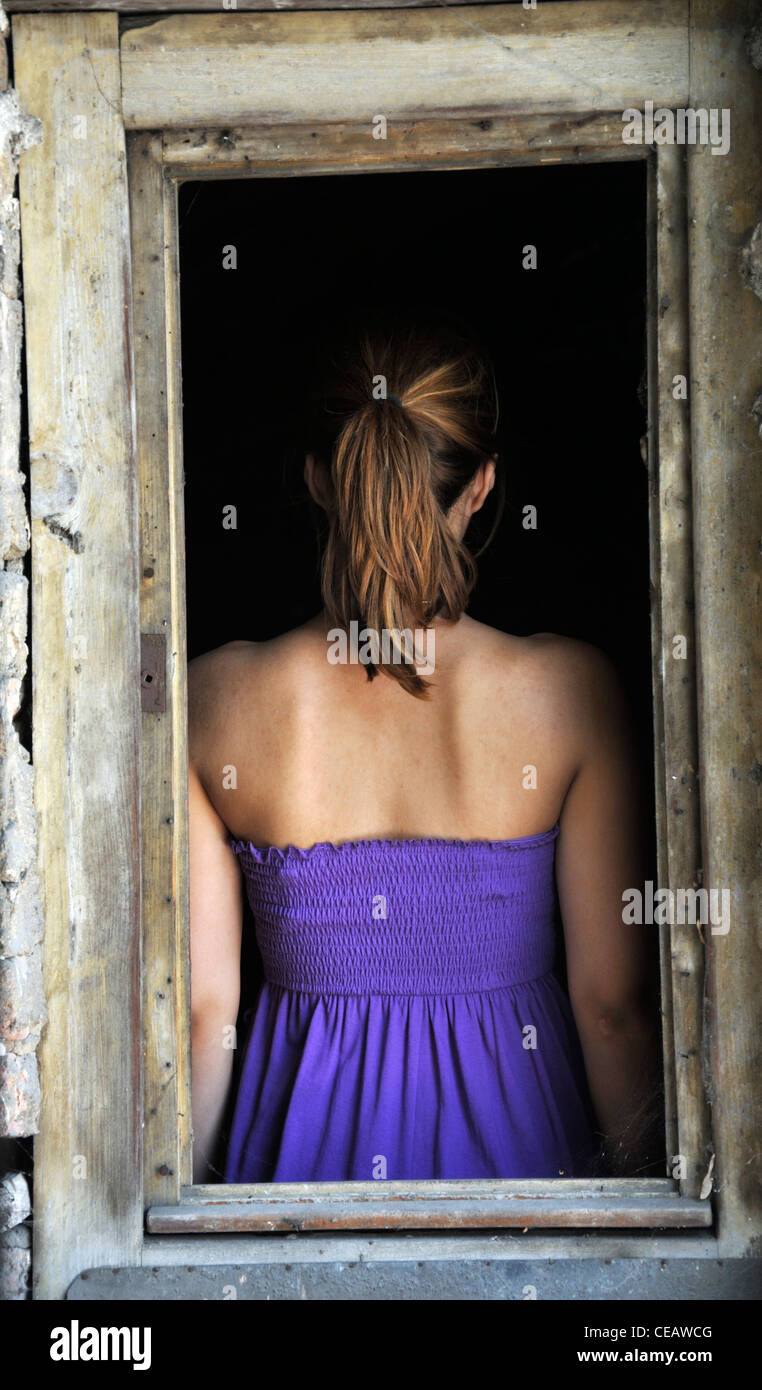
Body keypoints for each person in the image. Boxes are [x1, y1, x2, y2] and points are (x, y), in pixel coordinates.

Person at [187, 320, 662, 1185]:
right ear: (481, 487)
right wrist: (643, 1220)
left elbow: (202, 1013)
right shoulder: (570, 693)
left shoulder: (212, 701)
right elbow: (612, 1009)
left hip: (300, 1184)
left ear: (317, 481)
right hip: (519, 1175)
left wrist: (182, 1222)